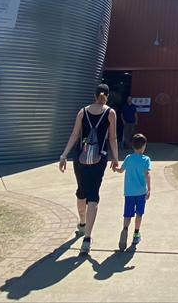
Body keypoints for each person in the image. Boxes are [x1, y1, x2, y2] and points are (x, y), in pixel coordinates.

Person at [59, 85, 120, 255]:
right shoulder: (110, 113)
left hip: (80, 156)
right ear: (107, 96)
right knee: (94, 194)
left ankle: (82, 223)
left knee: (81, 190)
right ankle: (87, 239)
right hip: (98, 157)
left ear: (94, 95)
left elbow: (74, 135)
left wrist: (64, 155)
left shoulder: (82, 112)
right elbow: (112, 138)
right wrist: (115, 157)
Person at [113, 133, 151, 250]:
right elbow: (147, 173)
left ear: (133, 146)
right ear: (143, 146)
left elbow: (121, 170)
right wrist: (149, 188)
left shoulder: (129, 158)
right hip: (141, 191)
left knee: (128, 214)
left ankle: (125, 229)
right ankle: (136, 234)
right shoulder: (146, 159)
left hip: (129, 192)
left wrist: (115, 168)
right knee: (139, 213)